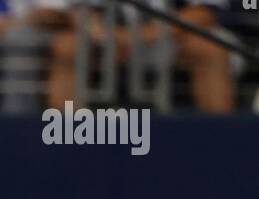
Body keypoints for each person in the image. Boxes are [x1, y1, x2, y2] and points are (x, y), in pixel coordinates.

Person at [48, 1, 236, 114]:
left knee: (209, 50)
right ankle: (67, 139)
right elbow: (77, 11)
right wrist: (104, 34)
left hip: (169, 37)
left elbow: (204, 13)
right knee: (67, 46)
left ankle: (221, 144)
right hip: (108, 38)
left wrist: (141, 36)